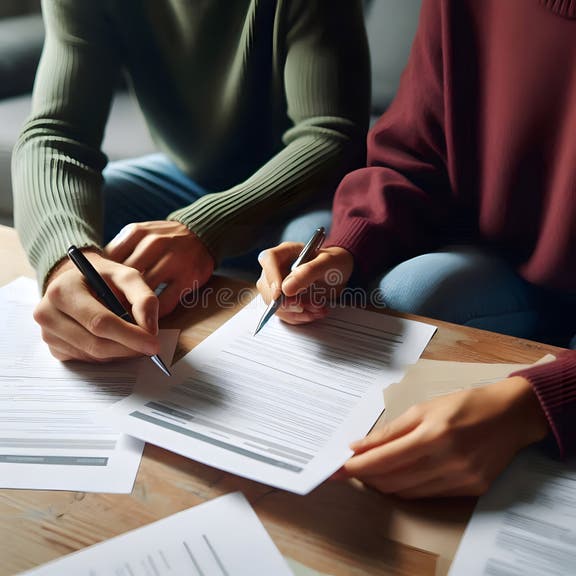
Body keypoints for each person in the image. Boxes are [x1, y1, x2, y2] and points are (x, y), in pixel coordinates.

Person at [257, 0, 576, 498]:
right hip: (495, 251)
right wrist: (346, 249)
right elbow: (412, 150)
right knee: (318, 234)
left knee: (410, 295)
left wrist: (533, 406)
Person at [12, 0, 369, 364]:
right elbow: (56, 135)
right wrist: (68, 261)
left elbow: (329, 134)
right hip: (186, 179)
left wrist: (205, 227)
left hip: (304, 197)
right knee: (78, 217)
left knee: (309, 284)